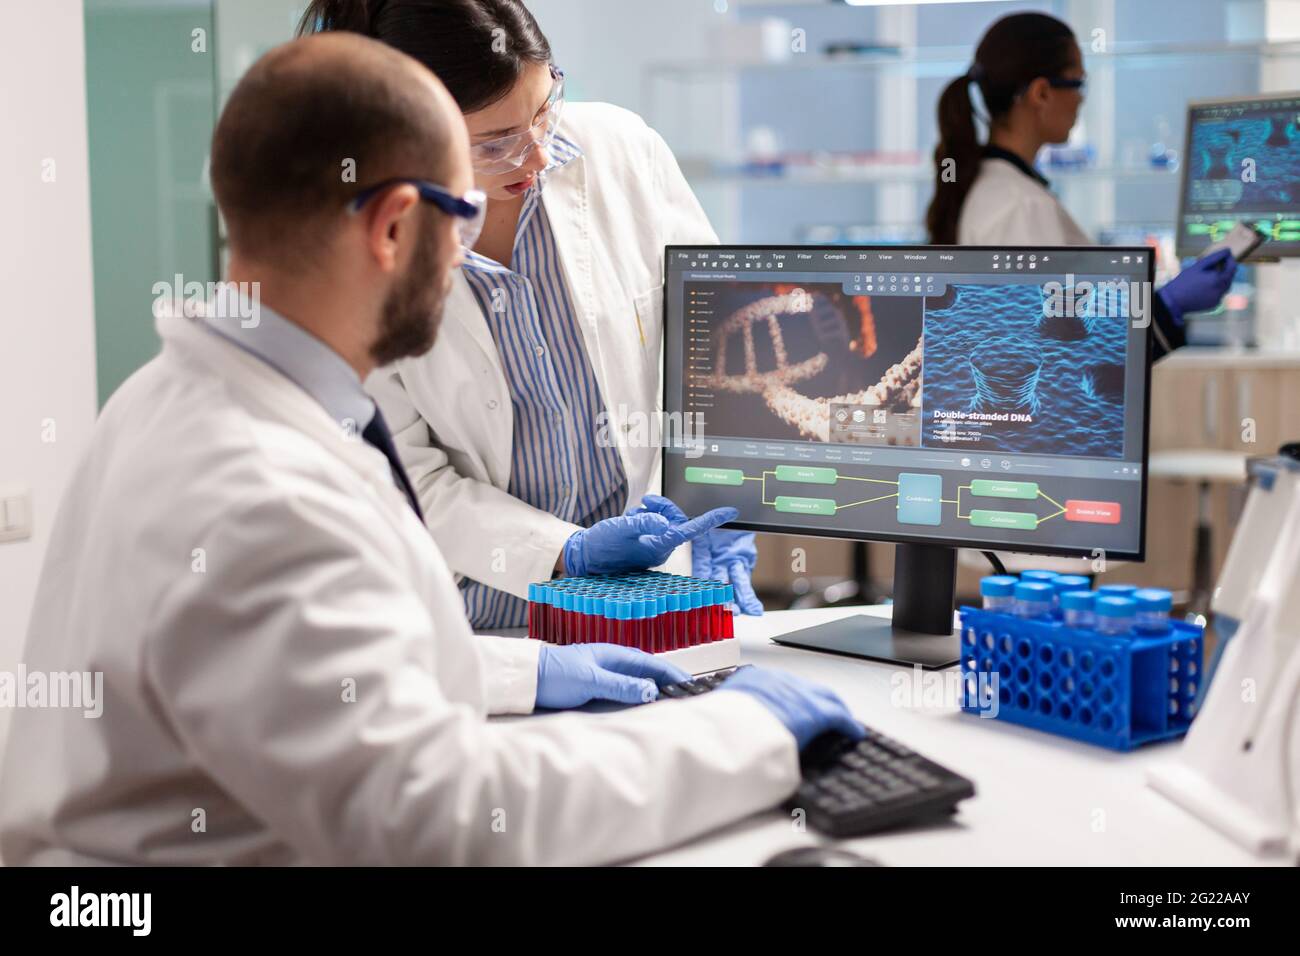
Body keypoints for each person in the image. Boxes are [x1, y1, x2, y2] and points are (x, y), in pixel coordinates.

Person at [0, 34, 861, 866]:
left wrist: (522, 669)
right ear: (394, 227)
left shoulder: (172, 399)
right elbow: (443, 822)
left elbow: (317, 680)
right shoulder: (261, 490)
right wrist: (746, 731)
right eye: (467, 210)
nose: (478, 255)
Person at [298, 0, 764, 629]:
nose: (538, 158)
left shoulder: (624, 153)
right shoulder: (364, 251)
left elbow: (718, 347)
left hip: (651, 598)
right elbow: (404, 472)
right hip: (483, 620)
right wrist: (562, 553)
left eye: (544, 111)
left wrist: (721, 495)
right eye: (496, 144)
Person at [925, 11, 1237, 359]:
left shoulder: (993, 185)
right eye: (1078, 83)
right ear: (1041, 93)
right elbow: (1066, 353)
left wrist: (1160, 303)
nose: (1082, 99)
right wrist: (1167, 304)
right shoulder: (1021, 205)